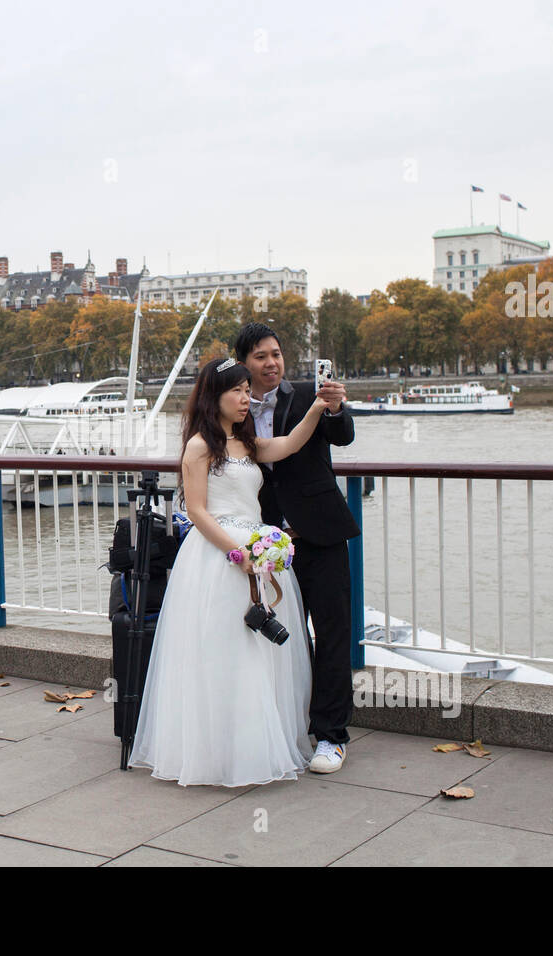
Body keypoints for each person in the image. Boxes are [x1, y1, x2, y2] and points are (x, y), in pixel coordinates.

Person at [128, 356, 330, 786]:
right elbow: (197, 511)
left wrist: (317, 407)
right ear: (214, 396)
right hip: (217, 558)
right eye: (236, 391)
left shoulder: (247, 442)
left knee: (258, 653)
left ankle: (253, 747)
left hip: (257, 551)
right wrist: (238, 554)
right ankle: (217, 754)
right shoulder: (200, 446)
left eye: (246, 391)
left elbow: (290, 444)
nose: (245, 398)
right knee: (223, 651)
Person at [236, 323, 360, 774]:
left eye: (276, 354)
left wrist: (336, 408)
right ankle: (286, 726)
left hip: (321, 535)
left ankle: (331, 735)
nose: (272, 363)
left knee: (333, 634)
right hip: (269, 545)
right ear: (244, 364)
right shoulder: (234, 407)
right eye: (261, 356)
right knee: (282, 638)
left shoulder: (311, 393)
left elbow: (343, 436)